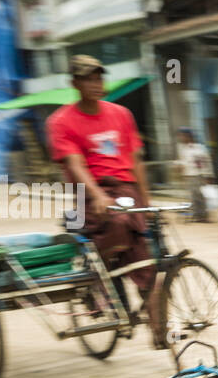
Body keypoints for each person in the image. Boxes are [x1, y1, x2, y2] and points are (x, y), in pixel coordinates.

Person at [46, 55, 164, 345]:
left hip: (126, 191)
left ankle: (161, 332)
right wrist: (97, 195)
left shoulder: (122, 114)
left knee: (157, 261)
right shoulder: (60, 121)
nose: (96, 84)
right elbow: (75, 164)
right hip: (90, 195)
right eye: (88, 78)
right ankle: (98, 273)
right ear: (74, 83)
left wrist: (147, 204)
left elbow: (136, 162)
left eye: (99, 77)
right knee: (120, 224)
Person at [175, 127, 214, 222]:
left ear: (188, 136)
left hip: (198, 175)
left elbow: (206, 161)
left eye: (183, 136)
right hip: (189, 175)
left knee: (199, 196)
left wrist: (208, 175)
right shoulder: (182, 148)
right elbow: (183, 163)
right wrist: (178, 167)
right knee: (194, 196)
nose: (181, 138)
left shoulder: (199, 148)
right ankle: (198, 215)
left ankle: (203, 215)